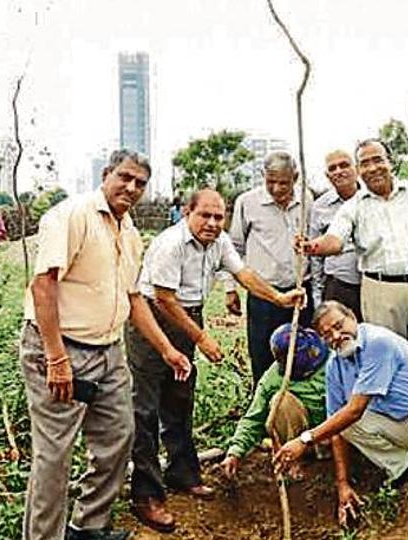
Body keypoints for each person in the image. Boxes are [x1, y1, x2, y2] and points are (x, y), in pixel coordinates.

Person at [19, 149, 191, 540]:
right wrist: (56, 358)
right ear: (106, 174)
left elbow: (134, 299)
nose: (131, 188)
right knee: (54, 456)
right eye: (125, 178)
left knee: (119, 436)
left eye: (140, 183)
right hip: (61, 347)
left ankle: (88, 526)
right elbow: (43, 285)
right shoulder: (71, 216)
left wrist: (167, 349)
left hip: (108, 350)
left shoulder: (128, 233)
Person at [128, 188, 305, 532]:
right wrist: (202, 337)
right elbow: (164, 299)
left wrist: (280, 298)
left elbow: (244, 275)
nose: (212, 223)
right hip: (153, 323)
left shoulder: (220, 241)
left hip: (187, 316)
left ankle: (181, 473)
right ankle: (146, 495)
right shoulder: (170, 244)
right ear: (186, 213)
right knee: (145, 409)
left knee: (180, 400)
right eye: (204, 215)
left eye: (218, 217)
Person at [275, 301, 408, 531]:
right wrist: (342, 485)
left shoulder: (378, 343)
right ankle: (405, 467)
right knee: (340, 425)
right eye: (327, 335)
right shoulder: (334, 366)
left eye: (339, 325)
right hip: (397, 427)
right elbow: (337, 428)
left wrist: (304, 439)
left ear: (353, 317)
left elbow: (355, 409)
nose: (336, 336)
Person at [297, 139, 408, 336]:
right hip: (380, 291)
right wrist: (311, 247)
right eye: (365, 164)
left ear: (390, 162)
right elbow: (334, 241)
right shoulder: (353, 206)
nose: (373, 168)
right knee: (387, 353)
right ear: (358, 170)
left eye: (378, 160)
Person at [226, 151, 314, 384]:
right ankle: (264, 407)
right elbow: (233, 248)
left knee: (302, 355)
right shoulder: (247, 202)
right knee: (263, 356)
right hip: (263, 294)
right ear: (263, 176)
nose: (276, 189)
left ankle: (296, 409)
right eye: (270, 182)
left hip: (299, 292)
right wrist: (230, 288)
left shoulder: (306, 199)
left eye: (283, 183)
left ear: (295, 177)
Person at [220, 323, 330, 482]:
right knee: (281, 401)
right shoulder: (273, 379)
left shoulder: (332, 361)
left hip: (334, 432)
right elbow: (253, 418)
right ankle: (292, 460)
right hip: (302, 437)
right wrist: (234, 452)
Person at [310, 150, 363, 319]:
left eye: (344, 165)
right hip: (338, 286)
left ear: (357, 168)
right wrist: (318, 296)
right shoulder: (320, 207)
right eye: (333, 168)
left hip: (372, 285)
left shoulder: (372, 199)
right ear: (327, 175)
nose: (339, 171)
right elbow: (315, 257)